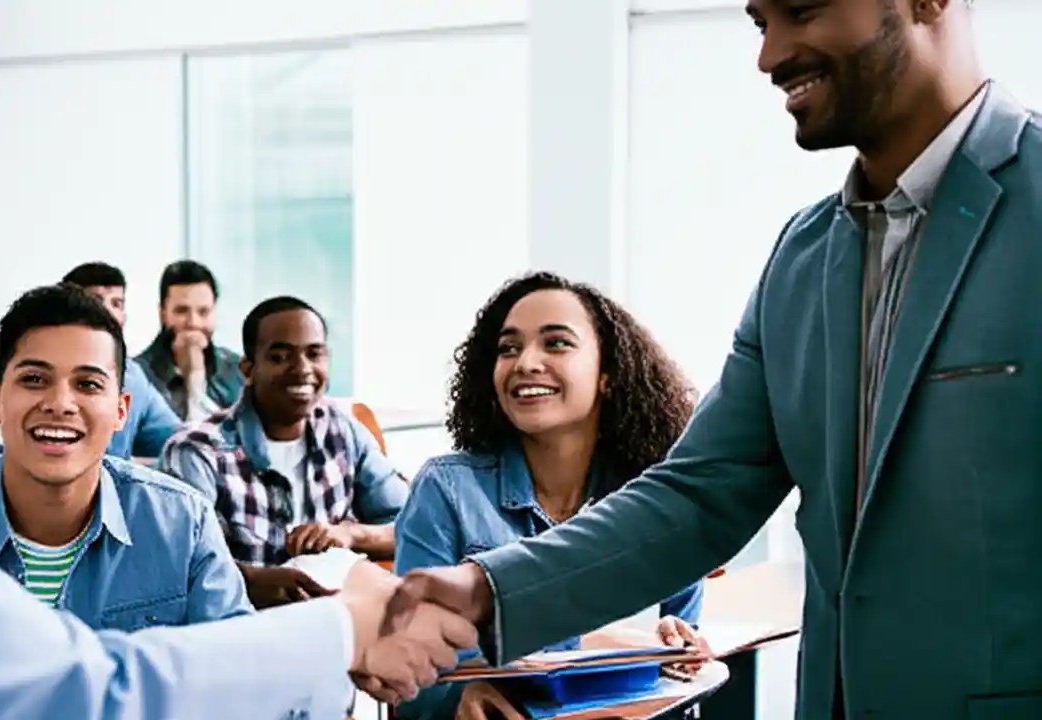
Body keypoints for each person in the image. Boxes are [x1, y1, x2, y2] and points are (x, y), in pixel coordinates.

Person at [0, 2, 472, 717]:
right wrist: (342, 628)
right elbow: (66, 691)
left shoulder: (176, 520)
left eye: (90, 383)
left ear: (122, 406)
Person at [384, 2, 1042, 719]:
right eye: (762, 24)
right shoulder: (802, 258)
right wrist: (488, 590)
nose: (771, 56)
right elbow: (699, 495)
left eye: (802, 10)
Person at [394, 273, 707, 720]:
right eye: (508, 348)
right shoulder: (446, 490)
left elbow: (682, 670)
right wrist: (458, 697)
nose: (525, 362)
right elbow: (405, 677)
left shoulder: (656, 499)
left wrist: (680, 650)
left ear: (607, 374)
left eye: (556, 343)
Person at [0, 284, 252, 628]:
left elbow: (234, 665)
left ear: (121, 411)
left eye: (88, 384)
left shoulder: (183, 524)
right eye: (34, 379)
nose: (60, 404)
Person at [161, 296, 409, 609]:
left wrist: (350, 535)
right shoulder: (196, 451)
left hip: (342, 624)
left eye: (314, 354)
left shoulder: (343, 431)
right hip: (241, 630)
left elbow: (414, 528)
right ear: (248, 369)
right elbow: (180, 564)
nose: (303, 369)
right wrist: (251, 582)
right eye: (280, 357)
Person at [61, 261, 182, 460]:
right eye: (96, 301)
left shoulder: (132, 376)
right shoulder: (44, 366)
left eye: (117, 303)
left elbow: (179, 441)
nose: (109, 312)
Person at [136, 260, 245, 422]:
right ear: (163, 313)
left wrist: (196, 379)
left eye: (203, 312)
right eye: (181, 311)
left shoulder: (238, 371)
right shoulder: (137, 375)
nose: (193, 322)